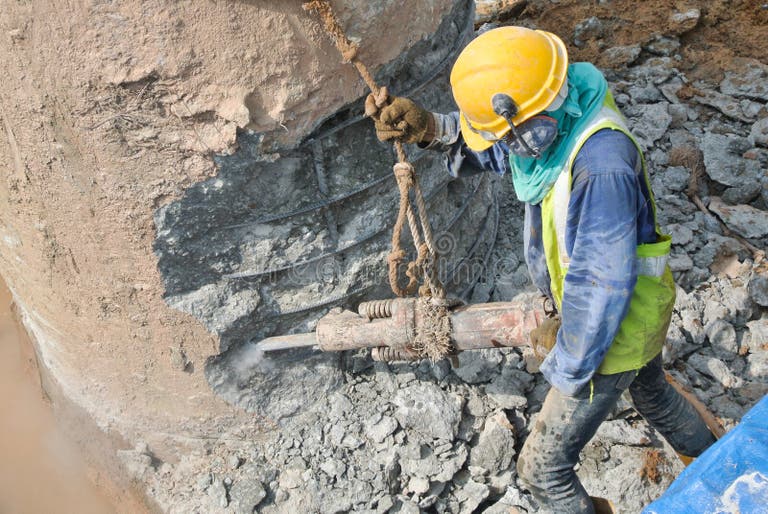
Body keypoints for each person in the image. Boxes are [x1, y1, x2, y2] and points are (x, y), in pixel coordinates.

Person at [367, 26, 717, 514]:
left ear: (527, 118)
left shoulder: (602, 168)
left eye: (505, 134)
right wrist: (434, 129)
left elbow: (601, 286)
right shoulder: (562, 101)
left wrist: (567, 365)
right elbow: (512, 148)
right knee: (654, 395)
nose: (503, 147)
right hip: (641, 313)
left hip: (612, 331)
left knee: (542, 472)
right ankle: (727, 471)